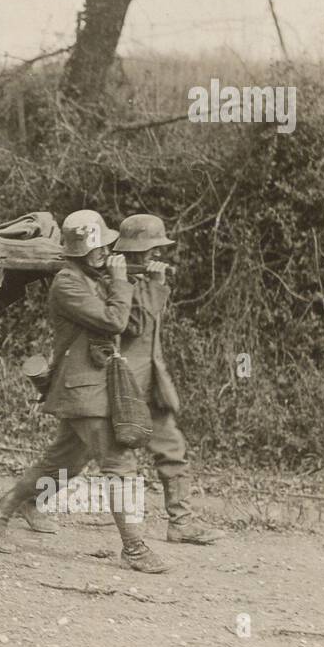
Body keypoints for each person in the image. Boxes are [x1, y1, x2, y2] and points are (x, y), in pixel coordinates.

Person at [0, 209, 169, 573]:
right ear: (83, 251)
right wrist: (121, 281)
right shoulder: (68, 283)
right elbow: (114, 320)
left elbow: (134, 327)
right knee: (120, 464)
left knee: (64, 463)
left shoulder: (97, 278)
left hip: (95, 388)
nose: (106, 253)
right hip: (85, 388)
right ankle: (135, 549)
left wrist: (150, 286)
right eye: (98, 249)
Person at [114, 213, 222, 544]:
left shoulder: (146, 282)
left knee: (172, 446)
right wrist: (155, 286)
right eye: (151, 251)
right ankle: (31, 501)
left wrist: (155, 285)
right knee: (76, 455)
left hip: (151, 383)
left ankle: (180, 522)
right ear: (135, 252)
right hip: (124, 386)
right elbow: (132, 326)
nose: (157, 256)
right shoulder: (116, 282)